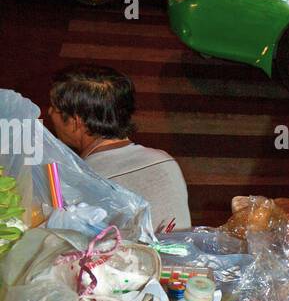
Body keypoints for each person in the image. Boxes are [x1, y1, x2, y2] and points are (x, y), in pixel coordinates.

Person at [47, 67, 190, 232]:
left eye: (54, 108)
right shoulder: (164, 161)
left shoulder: (78, 182)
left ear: (76, 121)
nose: (49, 112)